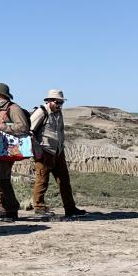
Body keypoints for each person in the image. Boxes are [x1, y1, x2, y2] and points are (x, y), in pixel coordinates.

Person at [30, 89, 87, 218]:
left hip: (58, 151)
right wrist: (37, 150)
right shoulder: (41, 112)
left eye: (61, 102)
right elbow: (30, 131)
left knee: (64, 181)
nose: (59, 105)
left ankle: (70, 208)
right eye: (57, 102)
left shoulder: (58, 113)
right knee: (42, 180)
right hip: (44, 151)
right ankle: (39, 207)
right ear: (49, 101)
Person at [0, 82, 29, 221]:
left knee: (2, 179)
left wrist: (3, 127)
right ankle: (4, 207)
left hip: (6, 149)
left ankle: (11, 208)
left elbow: (23, 127)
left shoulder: (14, 109)